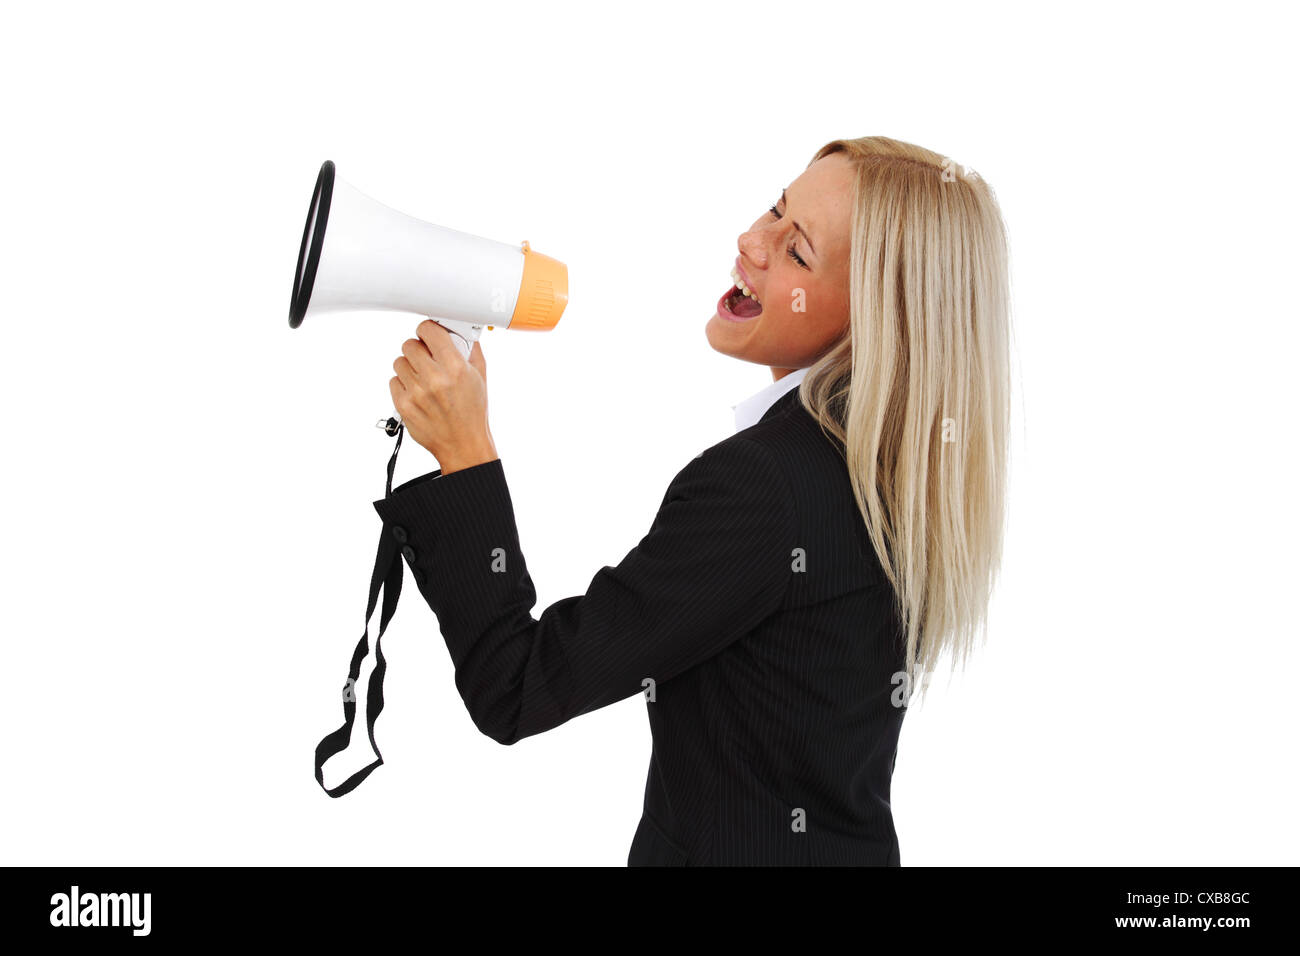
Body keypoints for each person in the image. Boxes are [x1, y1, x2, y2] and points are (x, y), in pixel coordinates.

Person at [382, 135, 1011, 866]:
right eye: (776, 208)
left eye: (798, 250)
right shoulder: (892, 473)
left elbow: (514, 686)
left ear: (872, 319)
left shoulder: (763, 487)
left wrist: (466, 458)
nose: (752, 240)